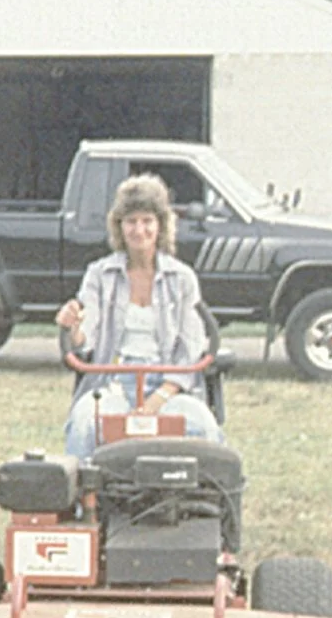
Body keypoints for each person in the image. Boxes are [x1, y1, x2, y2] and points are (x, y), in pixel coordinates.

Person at [56, 173, 222, 459]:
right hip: (112, 381)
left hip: (170, 386)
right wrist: (73, 326)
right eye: (131, 221)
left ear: (161, 226)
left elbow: (191, 350)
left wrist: (157, 400)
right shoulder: (100, 274)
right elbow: (86, 339)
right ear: (119, 226)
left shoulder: (181, 278)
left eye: (147, 221)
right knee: (85, 425)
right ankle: (86, 503)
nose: (139, 230)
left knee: (203, 428)